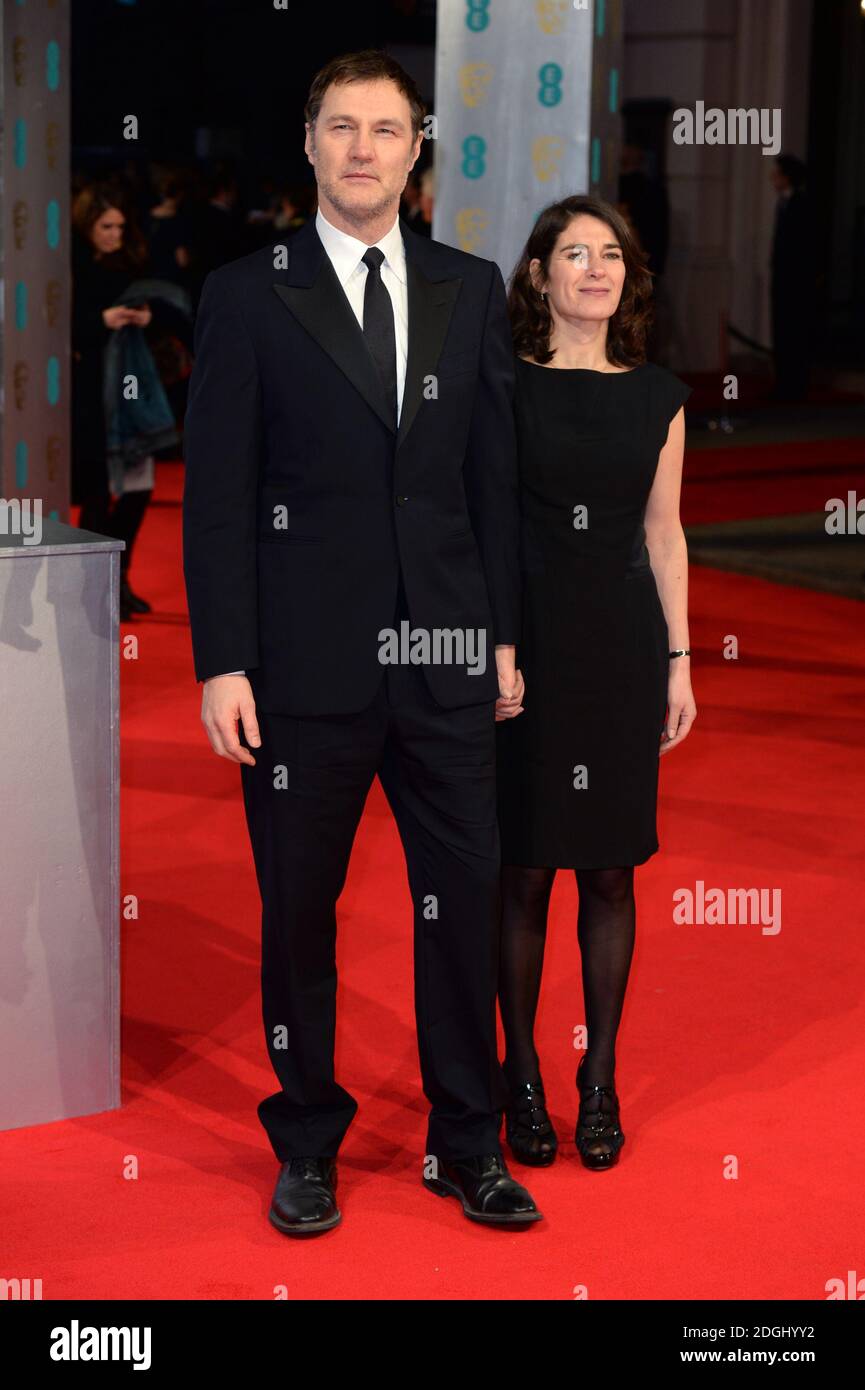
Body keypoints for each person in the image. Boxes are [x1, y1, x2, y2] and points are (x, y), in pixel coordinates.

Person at [182, 49, 542, 1235]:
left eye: (386, 130)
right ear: (308, 142)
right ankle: (307, 1141)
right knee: (298, 914)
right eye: (341, 126)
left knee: (463, 902)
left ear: (416, 149)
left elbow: (492, 482)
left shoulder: (467, 286)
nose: (362, 149)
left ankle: (467, 1140)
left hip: (445, 657)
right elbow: (218, 497)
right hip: (301, 666)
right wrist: (224, 661)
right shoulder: (247, 293)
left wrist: (500, 638)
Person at [495, 195, 696, 1170]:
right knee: (524, 867)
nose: (594, 269)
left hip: (620, 648)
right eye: (573, 253)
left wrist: (680, 660)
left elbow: (664, 534)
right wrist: (493, 646)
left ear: (628, 275)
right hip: (529, 649)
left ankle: (599, 1076)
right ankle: (521, 1078)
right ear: (539, 276)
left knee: (611, 868)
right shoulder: (504, 384)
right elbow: (486, 525)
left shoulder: (658, 394)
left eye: (609, 254)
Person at [71, 182, 155, 619]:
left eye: (120, 226)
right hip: (91, 398)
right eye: (106, 226)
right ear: (87, 226)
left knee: (139, 487)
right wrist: (100, 321)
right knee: (98, 493)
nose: (115, 234)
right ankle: (96, 590)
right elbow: (56, 330)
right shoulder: (70, 269)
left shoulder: (128, 265)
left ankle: (118, 579)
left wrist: (145, 317)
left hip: (131, 394)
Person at [770, 154, 812, 401]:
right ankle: (783, 382)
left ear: (787, 177)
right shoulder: (782, 203)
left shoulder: (801, 204)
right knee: (781, 332)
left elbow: (804, 247)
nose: (773, 178)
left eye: (777, 173)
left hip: (796, 283)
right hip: (782, 281)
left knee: (795, 333)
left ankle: (795, 385)